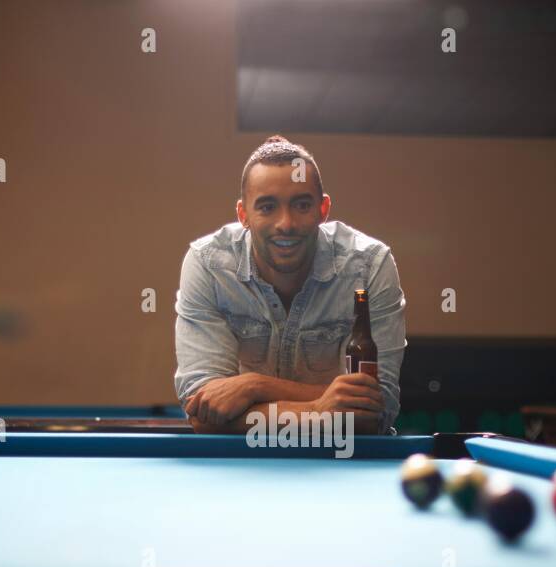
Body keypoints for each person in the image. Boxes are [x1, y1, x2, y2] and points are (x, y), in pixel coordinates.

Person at [174, 136, 406, 434]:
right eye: (267, 207)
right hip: (242, 466)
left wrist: (254, 386)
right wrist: (317, 409)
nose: (286, 223)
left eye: (301, 205)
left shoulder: (370, 265)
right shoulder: (208, 264)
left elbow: (374, 410)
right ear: (243, 214)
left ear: (323, 210)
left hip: (343, 462)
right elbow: (203, 413)